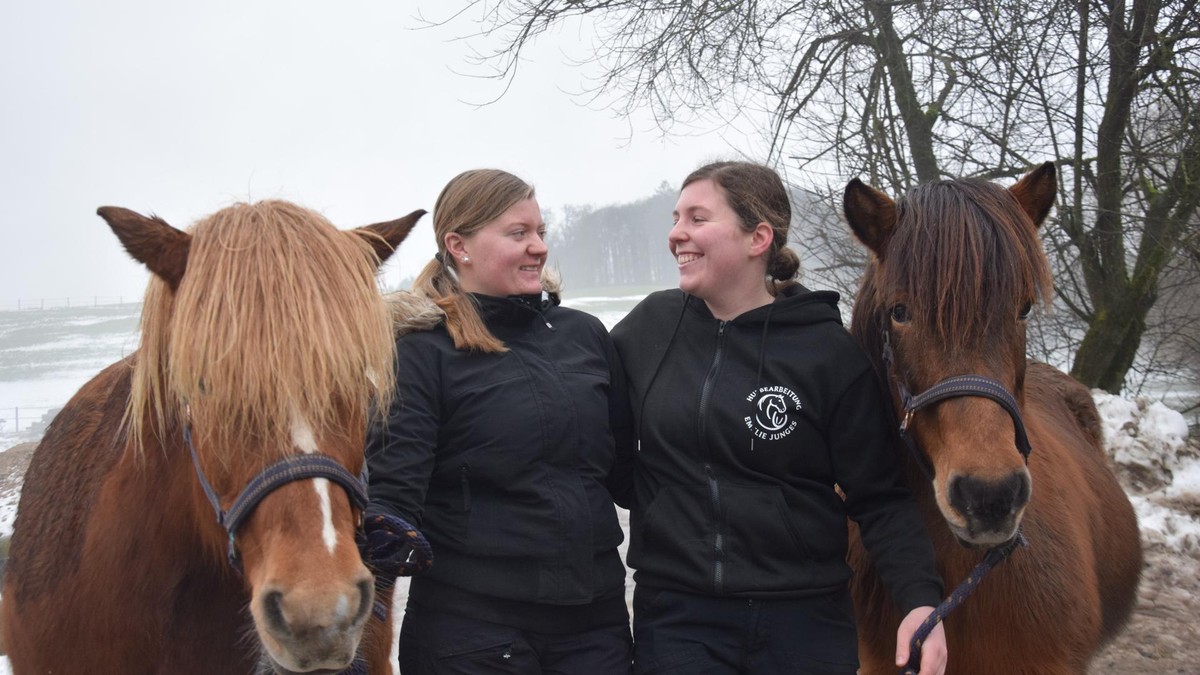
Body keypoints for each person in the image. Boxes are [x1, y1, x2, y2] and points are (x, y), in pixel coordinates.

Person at [610, 161, 948, 675]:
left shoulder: (827, 353)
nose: (677, 233)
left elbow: (879, 497)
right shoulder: (648, 330)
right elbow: (603, 442)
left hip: (805, 620)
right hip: (679, 618)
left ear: (758, 238)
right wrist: (665, 505)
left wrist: (921, 600)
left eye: (697, 218)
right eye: (676, 218)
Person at [364, 168, 635, 674]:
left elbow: (627, 476)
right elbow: (395, 498)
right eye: (518, 234)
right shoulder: (423, 352)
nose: (538, 247)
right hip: (472, 635)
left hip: (594, 629)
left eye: (540, 232)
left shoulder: (584, 335)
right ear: (459, 245)